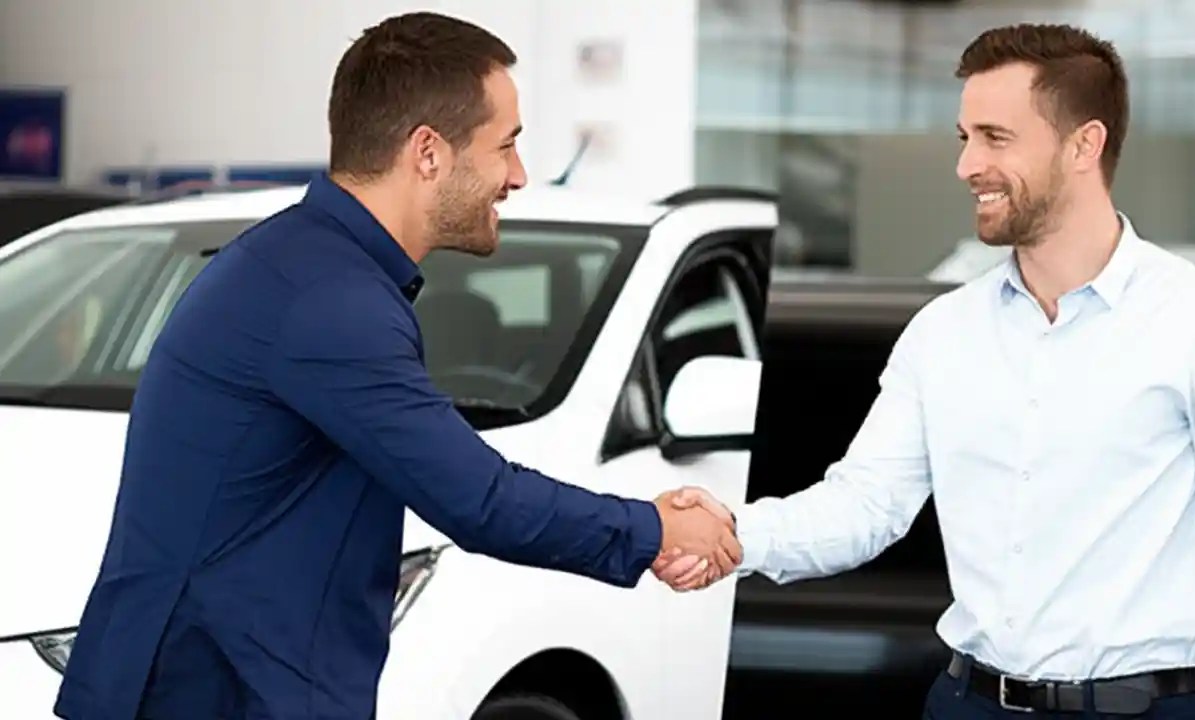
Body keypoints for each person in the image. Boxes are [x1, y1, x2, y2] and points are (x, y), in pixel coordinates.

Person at [53, 11, 738, 720]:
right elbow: (481, 501)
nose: (518, 175)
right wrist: (654, 530)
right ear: (428, 153)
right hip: (215, 697)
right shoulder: (328, 300)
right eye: (506, 145)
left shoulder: (304, 268)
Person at [654, 22, 1195, 720]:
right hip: (968, 702)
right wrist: (732, 534)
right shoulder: (942, 333)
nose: (966, 165)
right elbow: (865, 506)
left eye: (995, 138)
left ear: (1085, 145)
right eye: (964, 137)